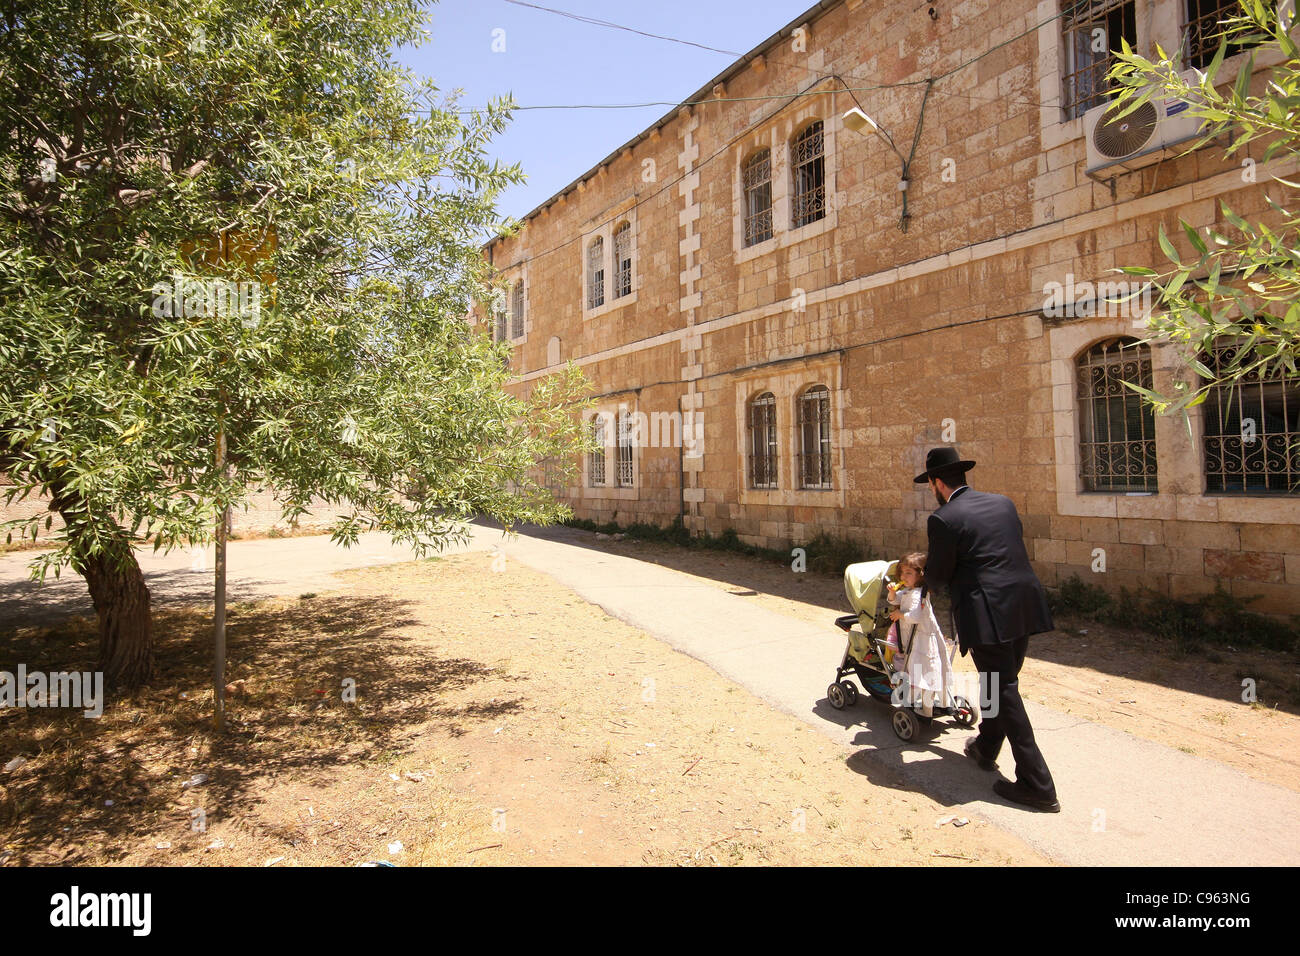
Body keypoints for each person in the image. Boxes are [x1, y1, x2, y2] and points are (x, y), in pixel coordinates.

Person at [916, 446, 1061, 812]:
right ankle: (985, 747)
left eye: (930, 484)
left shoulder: (944, 518)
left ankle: (1037, 784)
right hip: (1024, 605)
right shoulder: (1003, 503)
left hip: (988, 614)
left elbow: (938, 574)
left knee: (1004, 689)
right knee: (999, 682)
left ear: (936, 483)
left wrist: (923, 581)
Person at [886, 552, 955, 718]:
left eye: (909, 573)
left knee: (923, 672)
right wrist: (892, 593)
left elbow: (915, 617)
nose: (904, 576)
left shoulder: (918, 594)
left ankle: (926, 709)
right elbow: (894, 601)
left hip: (922, 640)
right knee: (932, 670)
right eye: (902, 572)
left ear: (920, 575)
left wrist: (900, 616)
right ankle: (943, 702)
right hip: (919, 638)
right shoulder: (910, 591)